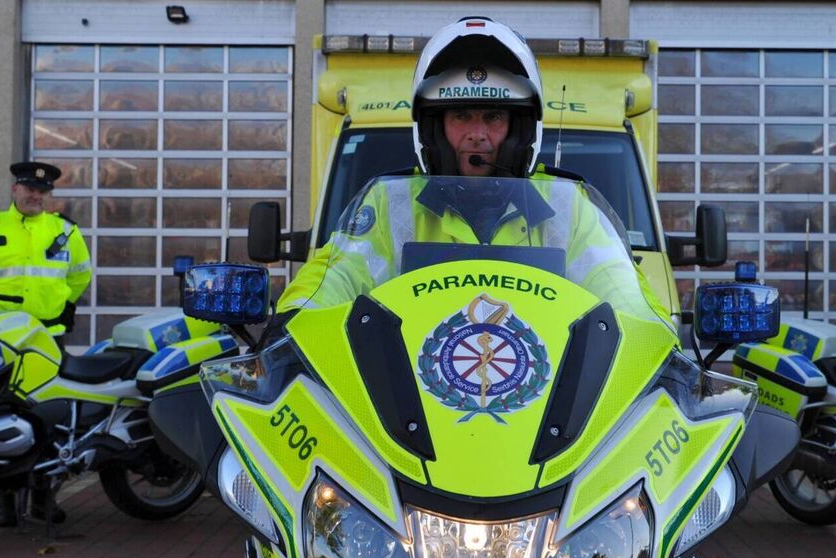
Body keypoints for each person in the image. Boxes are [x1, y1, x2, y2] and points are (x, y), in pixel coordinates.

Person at [275, 16, 671, 326]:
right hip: (405, 402)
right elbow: (333, 279)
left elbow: (622, 293)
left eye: (494, 117)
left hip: (551, 409)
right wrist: (291, 321)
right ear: (433, 130)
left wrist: (651, 332)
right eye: (461, 116)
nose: (477, 135)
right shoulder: (390, 206)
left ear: (519, 130)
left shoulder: (571, 211)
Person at [0, 161, 92, 527]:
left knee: (51, 420)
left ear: (50, 196)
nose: (36, 195)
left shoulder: (64, 231)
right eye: (29, 188)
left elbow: (81, 275)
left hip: (47, 339)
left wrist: (64, 306)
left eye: (43, 191)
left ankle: (45, 496)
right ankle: (3, 500)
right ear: (15, 190)